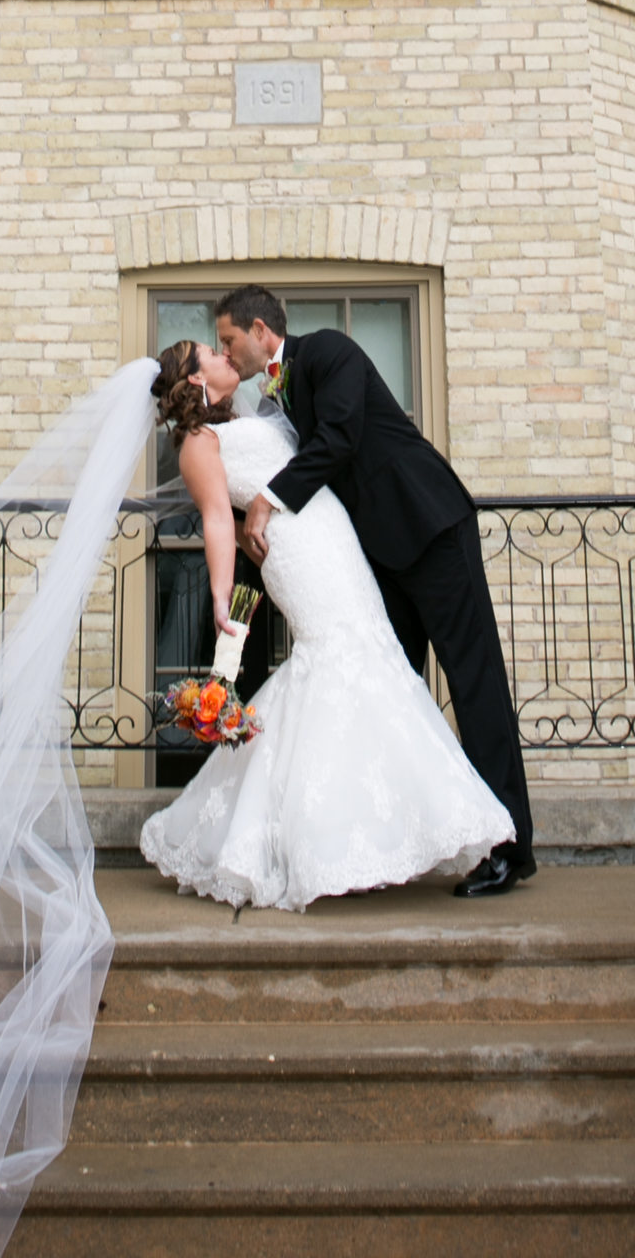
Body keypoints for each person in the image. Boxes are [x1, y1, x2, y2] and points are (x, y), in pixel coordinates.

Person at [139, 342, 514, 910]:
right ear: (193, 382)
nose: (222, 354)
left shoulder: (241, 417)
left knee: (371, 656)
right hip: (299, 556)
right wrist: (222, 598)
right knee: (337, 661)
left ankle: (370, 830)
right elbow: (218, 519)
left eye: (221, 343)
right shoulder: (197, 442)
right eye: (209, 353)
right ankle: (322, 841)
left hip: (336, 543)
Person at [219, 284, 535, 896]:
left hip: (430, 524)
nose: (227, 353)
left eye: (230, 340)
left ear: (260, 330)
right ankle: (403, 840)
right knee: (395, 690)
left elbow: (336, 440)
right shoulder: (267, 398)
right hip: (380, 555)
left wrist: (266, 499)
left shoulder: (329, 352)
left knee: (474, 682)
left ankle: (511, 847)